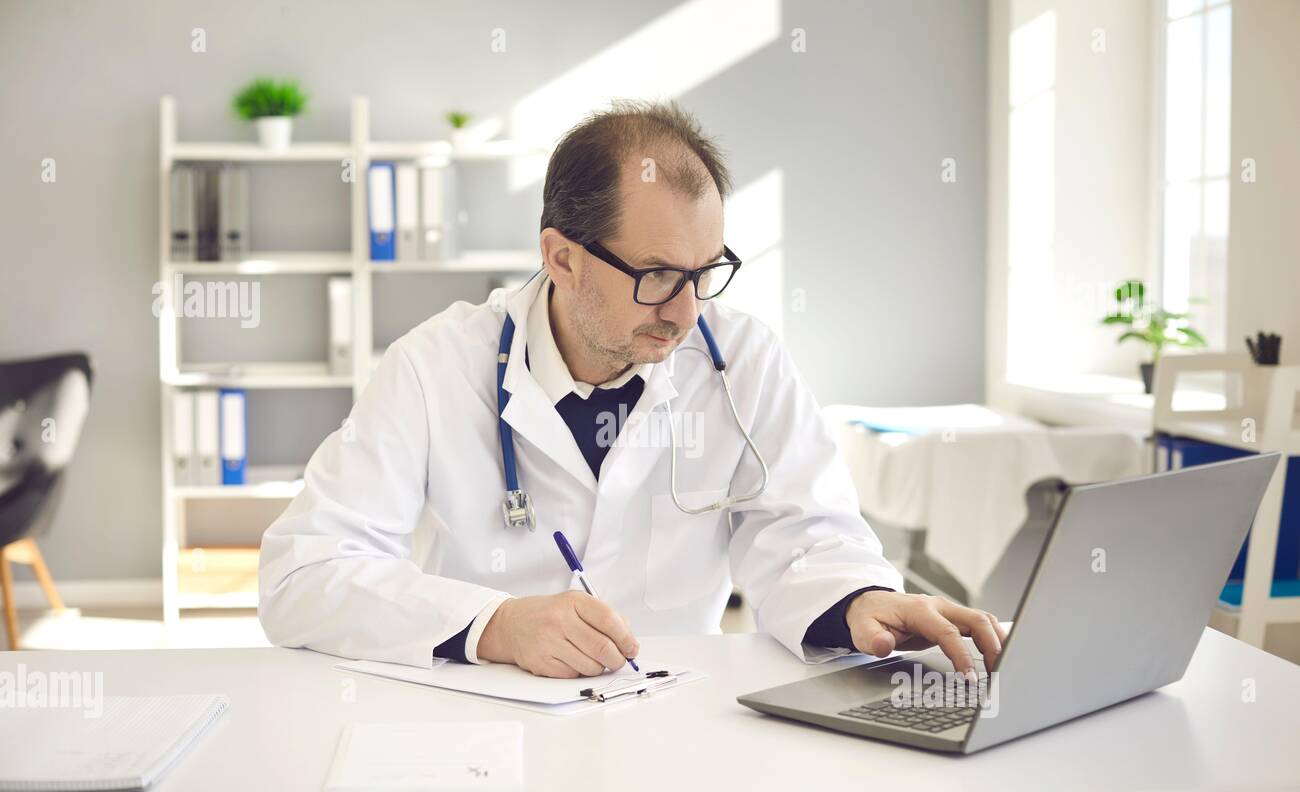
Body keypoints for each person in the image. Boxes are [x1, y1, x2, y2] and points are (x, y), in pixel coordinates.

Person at [259, 99, 1004, 688]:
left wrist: (859, 601)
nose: (686, 312)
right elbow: (302, 573)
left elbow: (806, 533)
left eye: (706, 272)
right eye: (656, 276)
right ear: (562, 258)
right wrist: (495, 624)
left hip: (679, 709)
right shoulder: (434, 367)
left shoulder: (741, 359)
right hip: (494, 716)